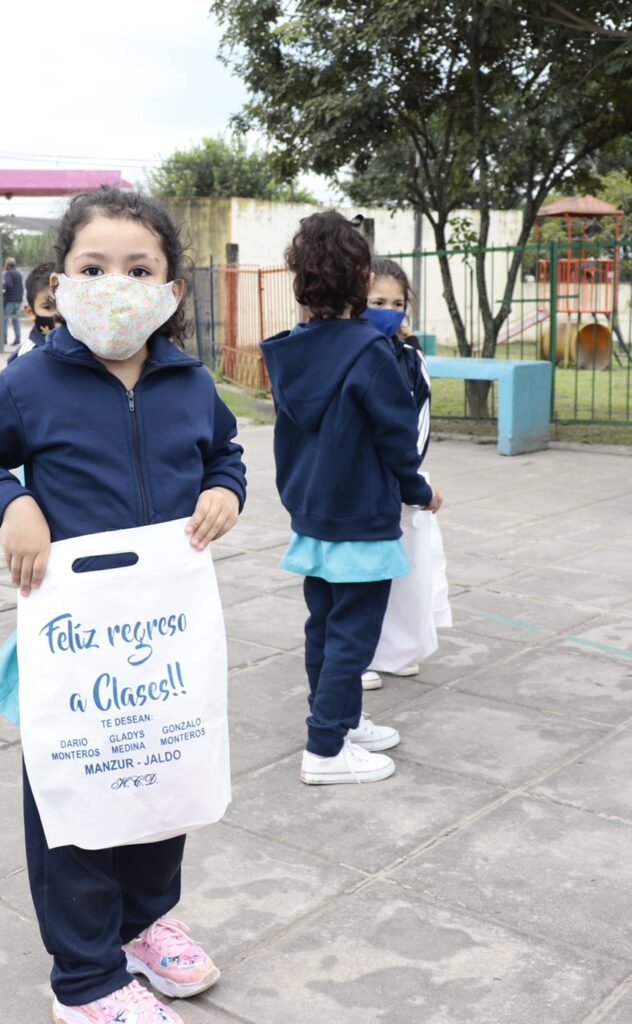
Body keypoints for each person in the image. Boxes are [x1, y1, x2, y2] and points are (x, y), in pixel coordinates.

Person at [0, 186, 246, 1024]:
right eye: (94, 266)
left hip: (165, 635)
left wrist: (225, 493)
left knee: (163, 781)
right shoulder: (30, 382)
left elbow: (227, 456)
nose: (116, 283)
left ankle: (143, 926)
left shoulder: (190, 383)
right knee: (79, 798)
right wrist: (13, 503)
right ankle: (83, 979)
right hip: (76, 641)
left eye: (138, 268)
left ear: (171, 291)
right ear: (62, 282)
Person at [259, 213, 441, 787]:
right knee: (352, 637)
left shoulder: (289, 351)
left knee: (324, 628)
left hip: (312, 513)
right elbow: (396, 440)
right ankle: (326, 747)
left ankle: (341, 718)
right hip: (361, 516)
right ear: (360, 279)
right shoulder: (370, 351)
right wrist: (420, 492)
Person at [360, 258, 451, 690]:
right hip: (358, 484)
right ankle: (355, 655)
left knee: (403, 570)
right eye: (377, 301)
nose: (388, 310)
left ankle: (394, 649)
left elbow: (419, 421)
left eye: (397, 303)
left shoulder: (411, 356)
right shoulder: (352, 353)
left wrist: (410, 480)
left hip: (400, 479)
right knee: (355, 575)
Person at [9, 261, 60, 363]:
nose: (58, 314)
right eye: (47, 307)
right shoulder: (25, 358)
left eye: (63, 306)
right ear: (30, 312)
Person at [2, 256, 24, 349]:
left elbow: (9, 285)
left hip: (10, 300)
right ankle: (17, 338)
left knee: (4, 320)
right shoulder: (18, 273)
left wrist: (2, 285)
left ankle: (3, 339)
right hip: (18, 300)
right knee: (16, 320)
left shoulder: (8, 273)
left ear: (7, 265)